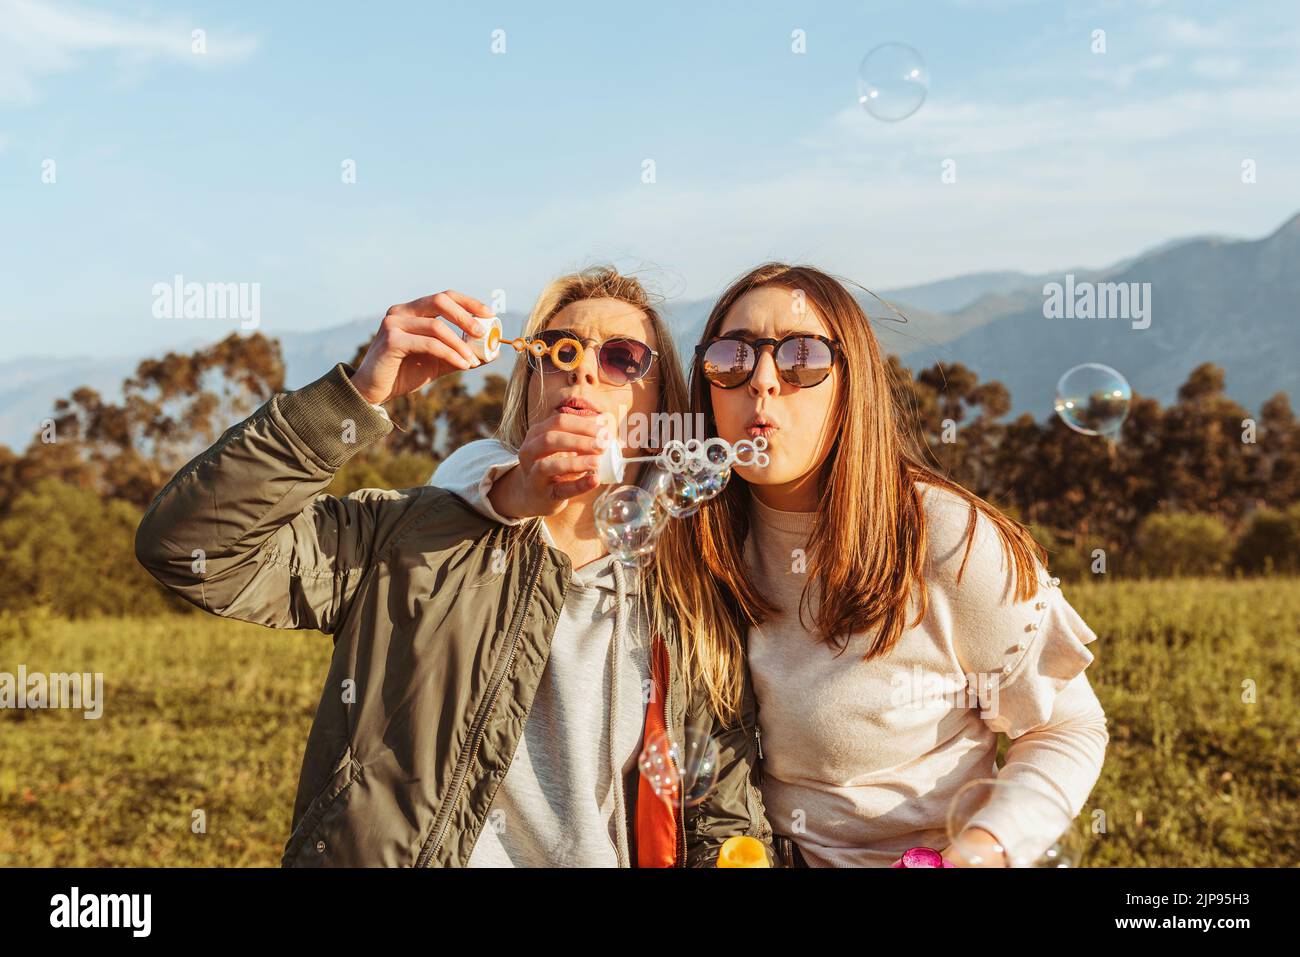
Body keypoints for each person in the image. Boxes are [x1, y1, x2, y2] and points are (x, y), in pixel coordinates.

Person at [442, 262, 1109, 868]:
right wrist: (504, 482)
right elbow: (481, 469)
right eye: (731, 358)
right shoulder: (691, 524)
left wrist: (980, 851)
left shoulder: (942, 535)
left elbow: (1066, 724)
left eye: (801, 357)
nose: (763, 378)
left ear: (853, 384)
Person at [135, 268, 771, 867]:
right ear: (530, 385)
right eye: (559, 350)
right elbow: (193, 549)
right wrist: (356, 396)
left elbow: (719, 819)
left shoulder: (691, 597)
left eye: (622, 359)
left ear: (660, 412)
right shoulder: (411, 540)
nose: (581, 376)